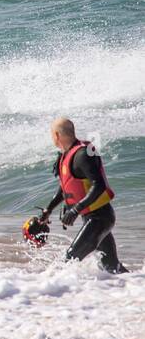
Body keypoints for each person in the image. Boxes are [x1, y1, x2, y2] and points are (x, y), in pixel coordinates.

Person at [34, 117, 128, 273]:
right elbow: (65, 187)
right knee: (112, 267)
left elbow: (99, 185)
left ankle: (48, 290)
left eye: (52, 135)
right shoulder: (66, 155)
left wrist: (75, 210)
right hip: (91, 218)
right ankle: (135, 288)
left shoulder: (83, 154)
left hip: (100, 218)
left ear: (57, 136)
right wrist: (48, 210)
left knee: (69, 261)